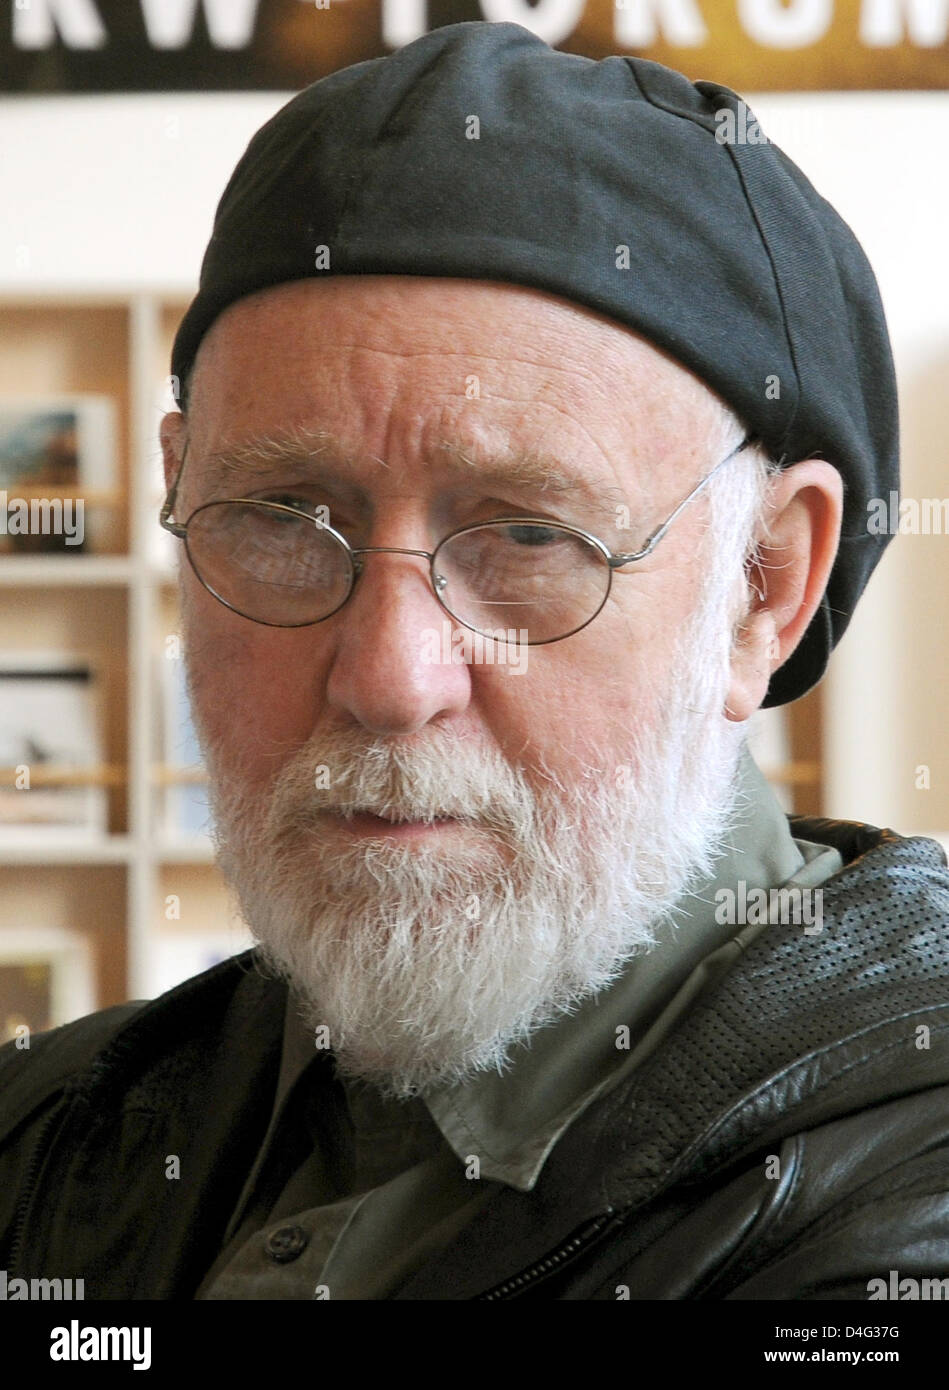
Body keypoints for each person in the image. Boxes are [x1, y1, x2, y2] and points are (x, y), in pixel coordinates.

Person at [2, 20, 948, 1303]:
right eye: (283, 516)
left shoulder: (901, 1202)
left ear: (762, 585)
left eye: (527, 534)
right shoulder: (48, 1133)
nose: (388, 678)